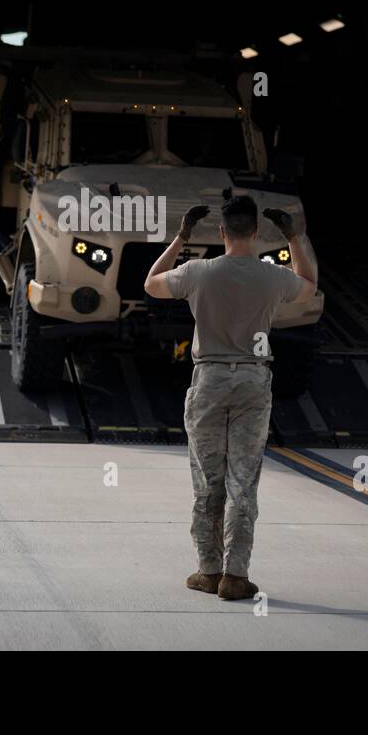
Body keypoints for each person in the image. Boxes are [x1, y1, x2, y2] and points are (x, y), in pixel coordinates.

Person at [144, 195, 318, 600]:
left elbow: (150, 283)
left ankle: (208, 571)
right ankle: (235, 577)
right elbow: (309, 285)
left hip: (209, 379)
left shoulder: (198, 272)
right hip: (253, 383)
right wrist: (294, 238)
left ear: (222, 231)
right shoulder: (273, 277)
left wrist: (180, 237)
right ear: (256, 233)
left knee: (208, 481)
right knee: (244, 481)